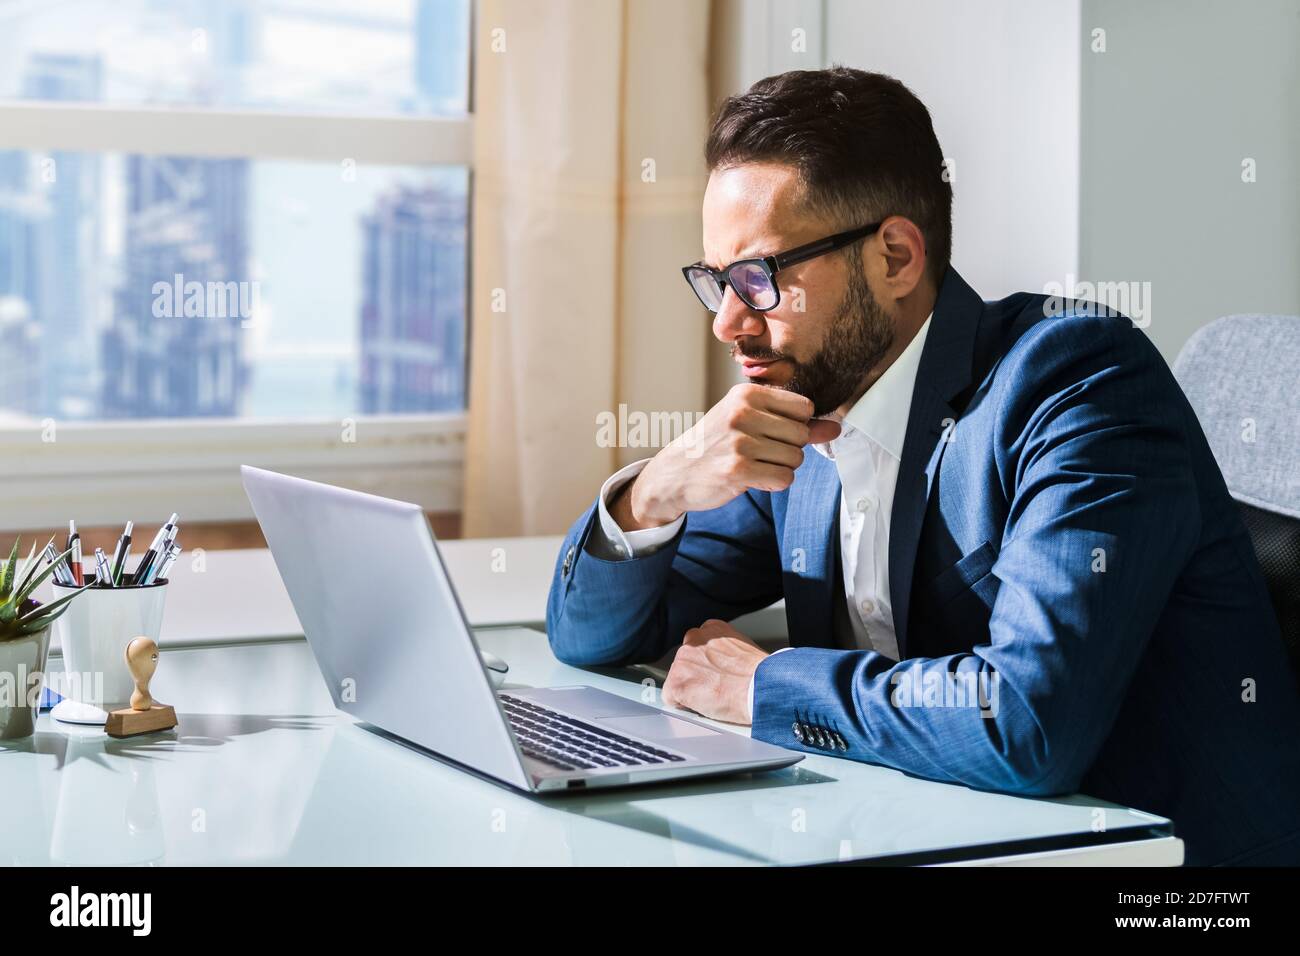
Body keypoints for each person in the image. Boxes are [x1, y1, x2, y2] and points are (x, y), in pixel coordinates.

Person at [545, 67, 1300, 866]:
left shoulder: (1078, 381)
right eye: (715, 280)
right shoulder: (804, 416)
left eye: (759, 278)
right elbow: (589, 637)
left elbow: (1024, 725)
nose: (729, 322)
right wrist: (653, 494)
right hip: (926, 833)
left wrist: (766, 687)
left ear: (896, 258)